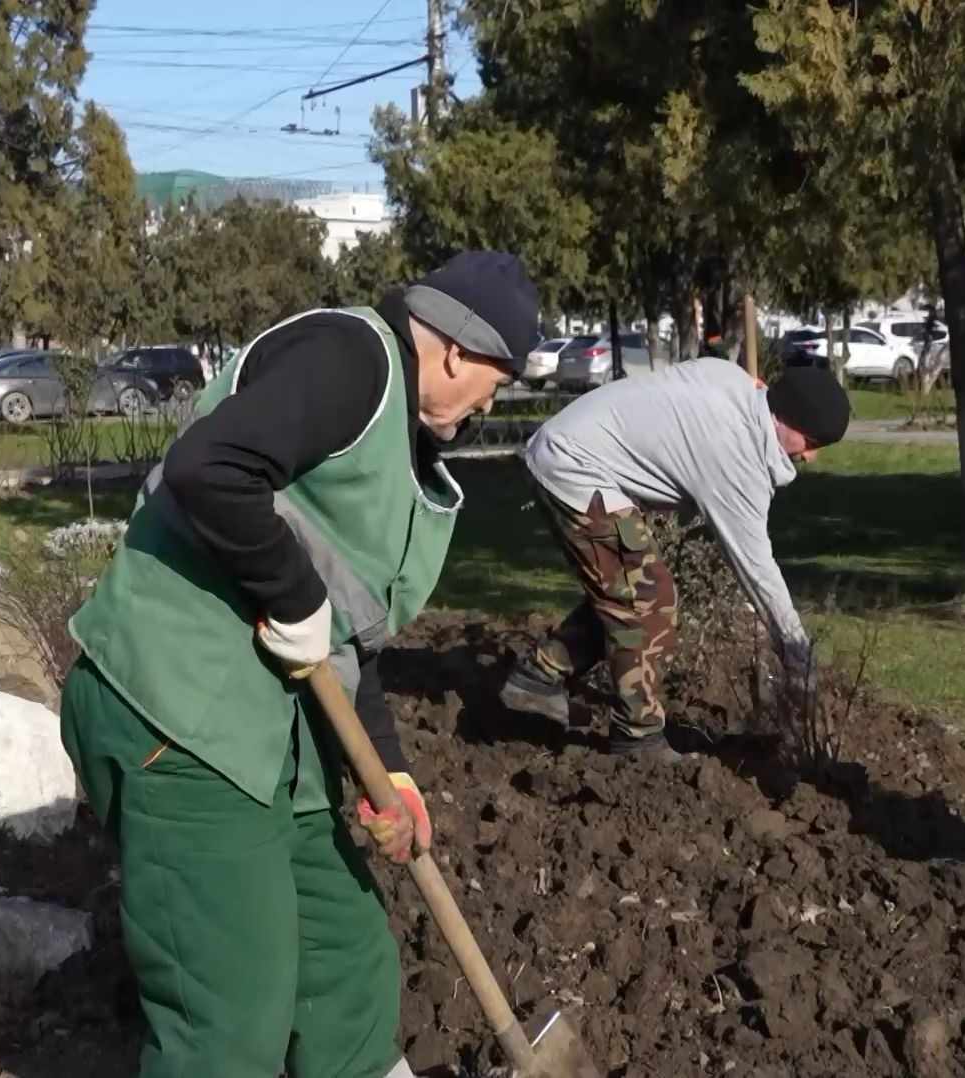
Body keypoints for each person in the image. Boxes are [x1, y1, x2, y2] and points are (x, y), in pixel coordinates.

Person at [62, 252, 539, 1078]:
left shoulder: (403, 443)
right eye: (497, 379)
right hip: (180, 717)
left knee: (346, 968)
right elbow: (209, 469)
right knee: (230, 1017)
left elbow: (348, 632)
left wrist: (393, 772)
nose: (491, 400)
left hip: (273, 737)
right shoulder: (353, 360)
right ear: (459, 351)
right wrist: (293, 596)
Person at [498, 357, 850, 756]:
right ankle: (637, 737)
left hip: (568, 449)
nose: (811, 457)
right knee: (649, 597)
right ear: (788, 419)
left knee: (625, 591)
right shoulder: (734, 454)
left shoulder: (734, 383)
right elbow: (756, 567)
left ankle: (539, 677)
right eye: (813, 443)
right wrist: (795, 649)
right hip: (575, 468)